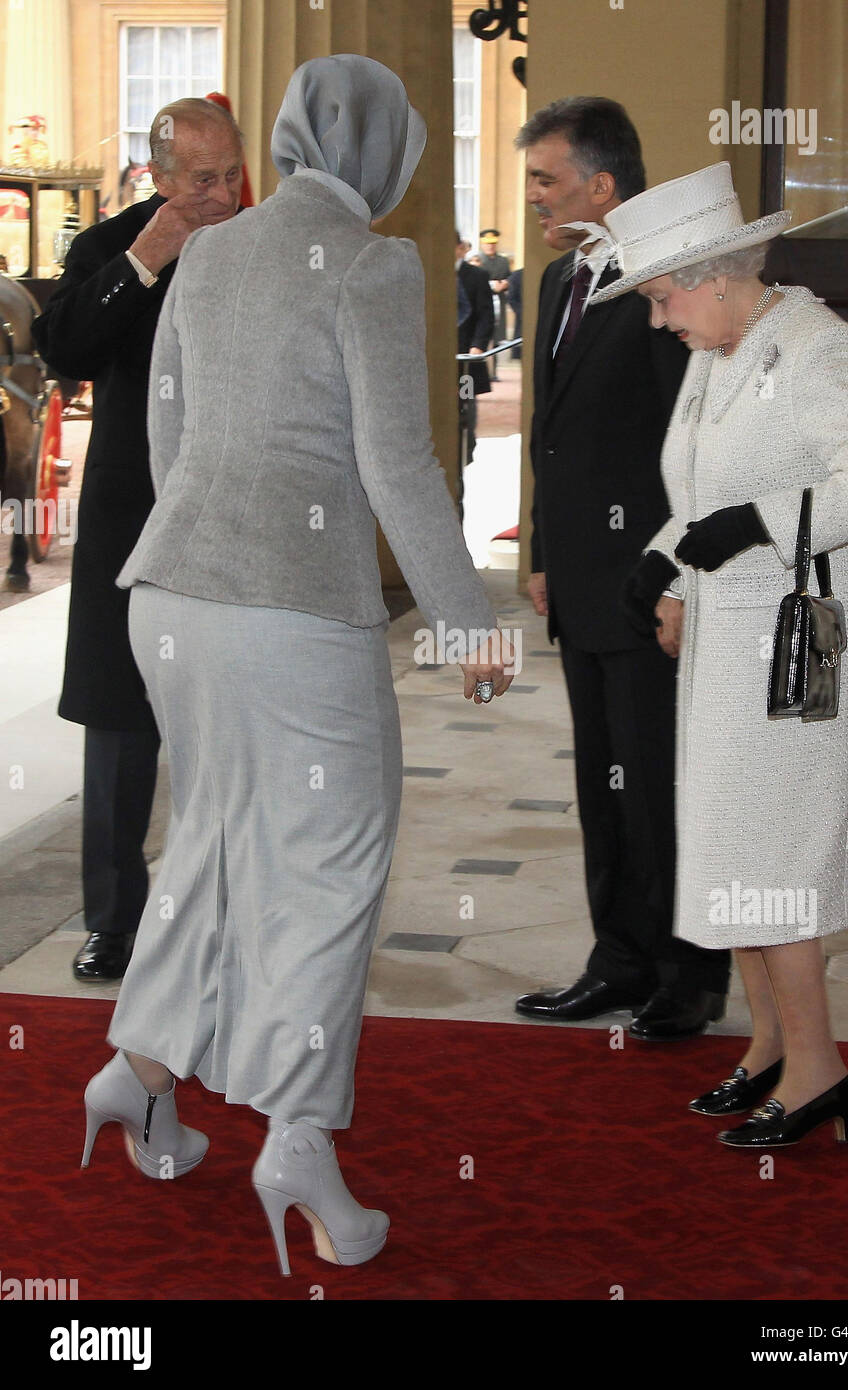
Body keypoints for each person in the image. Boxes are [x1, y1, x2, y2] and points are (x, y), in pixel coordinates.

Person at [78, 55, 514, 1275]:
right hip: (292, 615)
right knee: (329, 867)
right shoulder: (374, 264)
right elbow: (400, 465)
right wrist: (469, 621)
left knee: (216, 838)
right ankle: (301, 1141)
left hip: (169, 596)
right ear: (389, 157)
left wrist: (214, 552)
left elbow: (167, 433)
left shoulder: (209, 249)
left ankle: (142, 1071)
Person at [602, 161, 848, 1146]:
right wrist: (658, 561)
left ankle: (819, 1068)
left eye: (661, 297)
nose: (659, 320)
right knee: (733, 844)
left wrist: (754, 525)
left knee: (775, 860)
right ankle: (771, 1045)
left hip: (798, 655)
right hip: (727, 647)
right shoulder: (718, 347)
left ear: (714, 271)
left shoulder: (817, 348)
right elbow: (701, 494)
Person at [514, 97, 731, 1036]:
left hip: (649, 582)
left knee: (658, 784)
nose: (532, 196)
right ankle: (620, 957)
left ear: (601, 185)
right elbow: (550, 435)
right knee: (601, 777)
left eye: (545, 178)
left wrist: (680, 574)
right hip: (580, 578)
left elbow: (696, 445)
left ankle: (689, 976)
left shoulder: (666, 285)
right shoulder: (562, 277)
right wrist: (543, 550)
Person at [32, 99, 244, 982]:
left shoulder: (266, 241)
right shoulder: (109, 246)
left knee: (228, 728)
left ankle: (221, 909)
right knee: (120, 727)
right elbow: (66, 348)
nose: (224, 195)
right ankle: (115, 920)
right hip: (130, 522)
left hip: (235, 519)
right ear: (158, 176)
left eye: (232, 173)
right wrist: (149, 254)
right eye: (202, 180)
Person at [456, 231, 493, 493]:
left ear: (460, 248)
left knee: (466, 408)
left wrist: (477, 346)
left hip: (467, 358)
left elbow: (486, 315)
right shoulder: (427, 270)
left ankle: (466, 448)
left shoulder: (477, 276)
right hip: (437, 361)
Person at [478, 228, 510, 377]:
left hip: (500, 301)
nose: (490, 246)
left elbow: (509, 277)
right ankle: (484, 372)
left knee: (496, 337)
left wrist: (505, 283)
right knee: (485, 335)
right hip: (484, 302)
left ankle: (494, 371)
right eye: (487, 244)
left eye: (493, 244)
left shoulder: (502, 261)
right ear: (482, 244)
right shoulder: (477, 260)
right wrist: (492, 285)